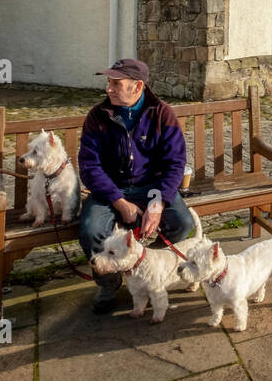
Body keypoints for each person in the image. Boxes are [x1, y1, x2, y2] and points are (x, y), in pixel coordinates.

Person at [77, 58, 197, 313]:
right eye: (108, 82)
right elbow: (89, 167)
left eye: (115, 83)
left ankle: (146, 266)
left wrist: (158, 202)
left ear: (137, 86)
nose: (108, 89)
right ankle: (109, 284)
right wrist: (119, 201)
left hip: (152, 187)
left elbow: (175, 162)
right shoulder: (97, 117)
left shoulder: (162, 114)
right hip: (110, 190)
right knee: (91, 229)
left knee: (182, 223)